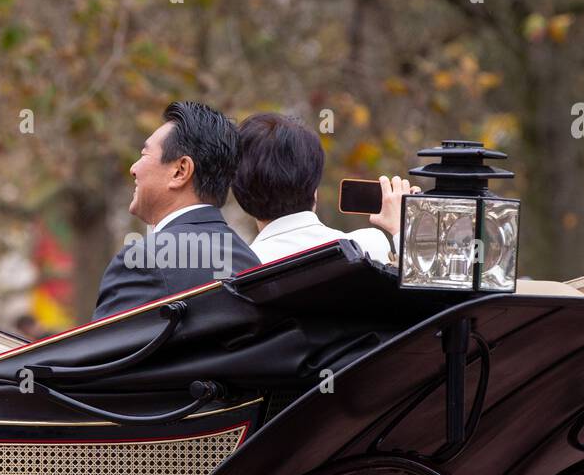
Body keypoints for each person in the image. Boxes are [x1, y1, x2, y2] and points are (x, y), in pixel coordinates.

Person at [93, 101, 259, 319]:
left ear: (180, 171)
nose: (133, 169)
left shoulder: (143, 261)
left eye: (144, 155)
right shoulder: (250, 263)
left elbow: (103, 350)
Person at [232, 112, 416, 264]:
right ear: (314, 185)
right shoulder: (368, 245)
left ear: (239, 192)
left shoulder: (238, 273)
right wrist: (405, 231)